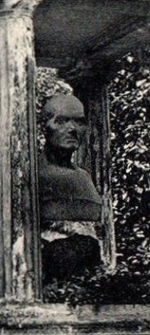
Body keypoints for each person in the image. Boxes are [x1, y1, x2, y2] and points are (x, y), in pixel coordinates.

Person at [38, 93, 103, 282]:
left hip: (87, 285)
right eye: (62, 121)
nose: (73, 129)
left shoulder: (84, 177)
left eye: (79, 122)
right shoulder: (31, 175)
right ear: (45, 127)